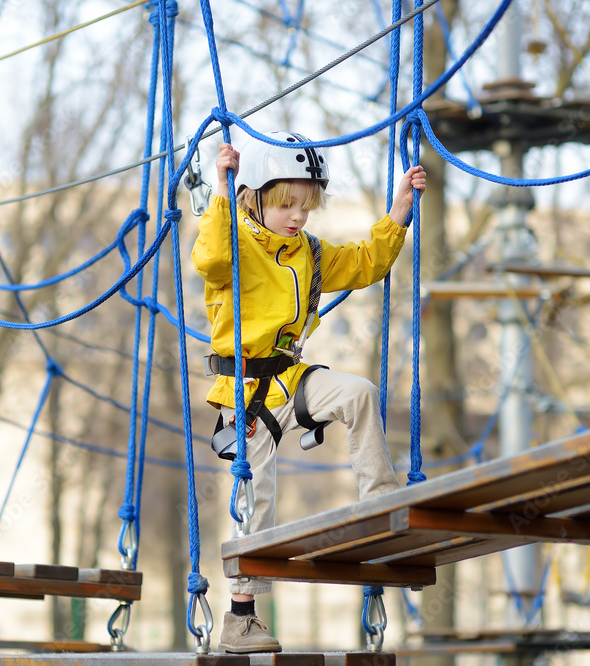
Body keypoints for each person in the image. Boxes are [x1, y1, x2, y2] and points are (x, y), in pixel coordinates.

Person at [191, 131, 426, 654]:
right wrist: (221, 193)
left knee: (359, 392)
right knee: (258, 501)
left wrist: (399, 211)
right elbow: (207, 259)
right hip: (246, 395)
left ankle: (380, 507)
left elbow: (368, 262)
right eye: (285, 205)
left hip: (291, 381)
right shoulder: (233, 245)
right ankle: (242, 615)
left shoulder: (310, 254)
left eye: (305, 206)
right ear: (255, 198)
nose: (297, 216)